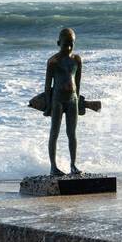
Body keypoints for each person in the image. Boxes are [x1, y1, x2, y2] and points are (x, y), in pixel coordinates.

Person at [45, 27, 82, 175]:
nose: (68, 47)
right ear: (58, 43)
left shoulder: (77, 60)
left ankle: (73, 165)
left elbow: (78, 84)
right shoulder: (53, 61)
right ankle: (53, 167)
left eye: (71, 44)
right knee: (54, 133)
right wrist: (48, 105)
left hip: (72, 100)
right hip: (57, 100)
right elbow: (48, 86)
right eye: (65, 44)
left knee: (72, 133)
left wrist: (78, 102)